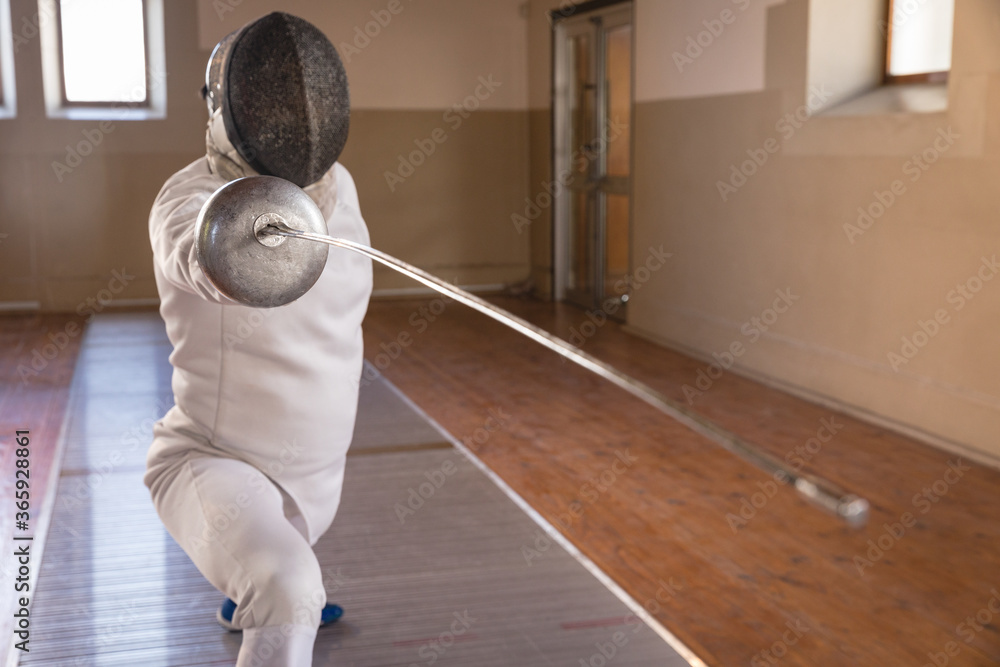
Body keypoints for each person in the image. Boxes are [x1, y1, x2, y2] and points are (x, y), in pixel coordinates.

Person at [144, 12, 371, 666]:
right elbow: (198, 252)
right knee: (289, 589)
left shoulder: (340, 188)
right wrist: (246, 244)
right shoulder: (189, 198)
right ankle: (272, 588)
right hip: (214, 462)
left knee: (281, 558)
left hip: (318, 480)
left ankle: (261, 578)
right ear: (228, 106)